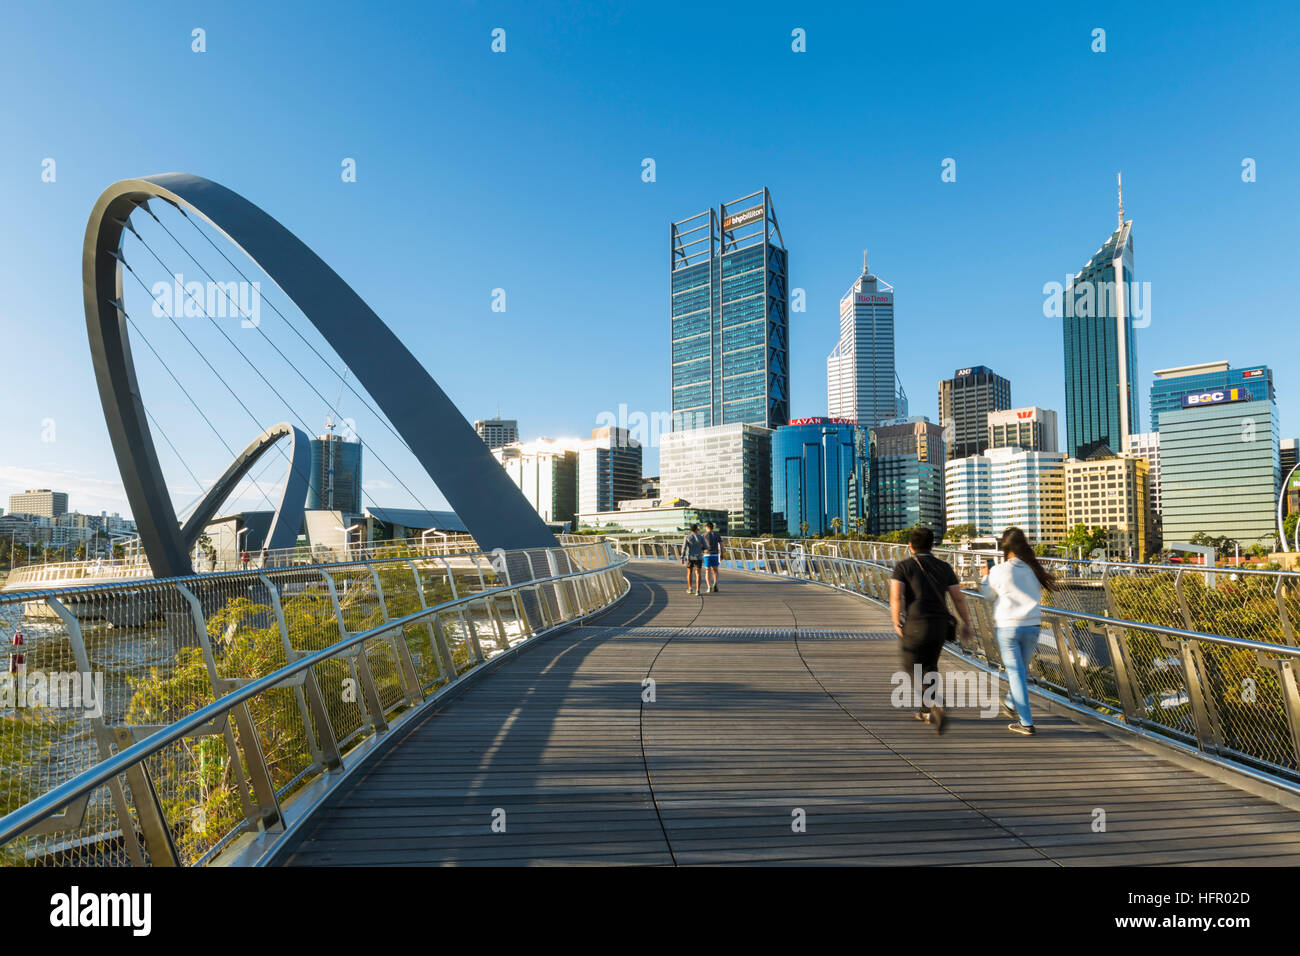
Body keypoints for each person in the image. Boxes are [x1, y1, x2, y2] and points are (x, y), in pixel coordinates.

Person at [889, 526, 974, 733]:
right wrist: (966, 622)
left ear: (910, 546)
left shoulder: (904, 566)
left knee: (911, 666)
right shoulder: (944, 567)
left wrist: (896, 621)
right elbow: (958, 597)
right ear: (932, 546)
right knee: (930, 666)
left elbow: (896, 596)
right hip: (939, 626)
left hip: (915, 623)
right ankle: (927, 711)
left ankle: (934, 702)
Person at [981, 526, 1059, 736]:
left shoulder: (999, 570)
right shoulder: (1034, 569)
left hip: (1008, 627)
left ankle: (1026, 723)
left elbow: (988, 595)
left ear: (1005, 547)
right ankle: (1009, 702)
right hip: (1032, 626)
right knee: (1020, 672)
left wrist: (985, 577)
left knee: (1016, 674)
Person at [680, 523, 705, 595]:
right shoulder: (701, 537)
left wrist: (682, 557)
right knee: (698, 573)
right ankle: (697, 590)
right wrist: (701, 550)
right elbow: (705, 546)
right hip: (698, 557)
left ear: (690, 529)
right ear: (696, 529)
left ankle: (690, 588)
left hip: (690, 557)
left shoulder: (687, 537)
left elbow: (684, 548)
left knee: (689, 573)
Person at [702, 521, 723, 592]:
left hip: (706, 554)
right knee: (715, 570)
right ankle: (715, 583)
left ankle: (709, 587)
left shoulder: (703, 535)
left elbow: (701, 545)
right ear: (712, 527)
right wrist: (722, 554)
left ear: (707, 527)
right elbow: (721, 545)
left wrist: (701, 552)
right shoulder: (717, 535)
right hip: (715, 554)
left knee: (707, 570)